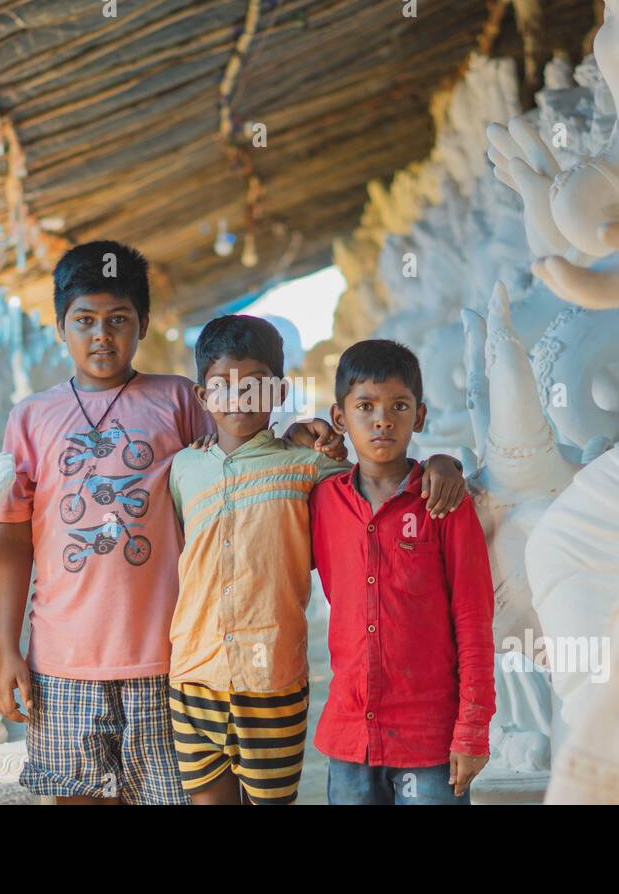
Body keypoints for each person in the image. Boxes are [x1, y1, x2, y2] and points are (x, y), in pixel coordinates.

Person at [0, 243, 348, 804]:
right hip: (61, 660)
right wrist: (6, 649)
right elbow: (12, 536)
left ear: (144, 325)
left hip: (169, 661)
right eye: (84, 320)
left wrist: (299, 431)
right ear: (60, 325)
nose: (101, 335)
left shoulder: (178, 399)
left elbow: (243, 439)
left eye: (118, 320)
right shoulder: (31, 418)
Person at [168, 316, 468, 804]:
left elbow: (381, 483)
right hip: (193, 673)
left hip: (273, 679)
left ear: (279, 392)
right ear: (202, 398)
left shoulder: (309, 467)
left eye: (255, 386)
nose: (238, 398)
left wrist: (442, 462)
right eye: (221, 387)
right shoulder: (183, 467)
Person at [310, 339, 496, 805]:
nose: (382, 420)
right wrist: (300, 433)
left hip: (429, 738)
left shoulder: (443, 501)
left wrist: (472, 729)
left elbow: (473, 617)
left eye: (398, 406)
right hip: (350, 735)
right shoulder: (321, 500)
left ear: (420, 416)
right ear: (339, 417)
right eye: (365, 407)